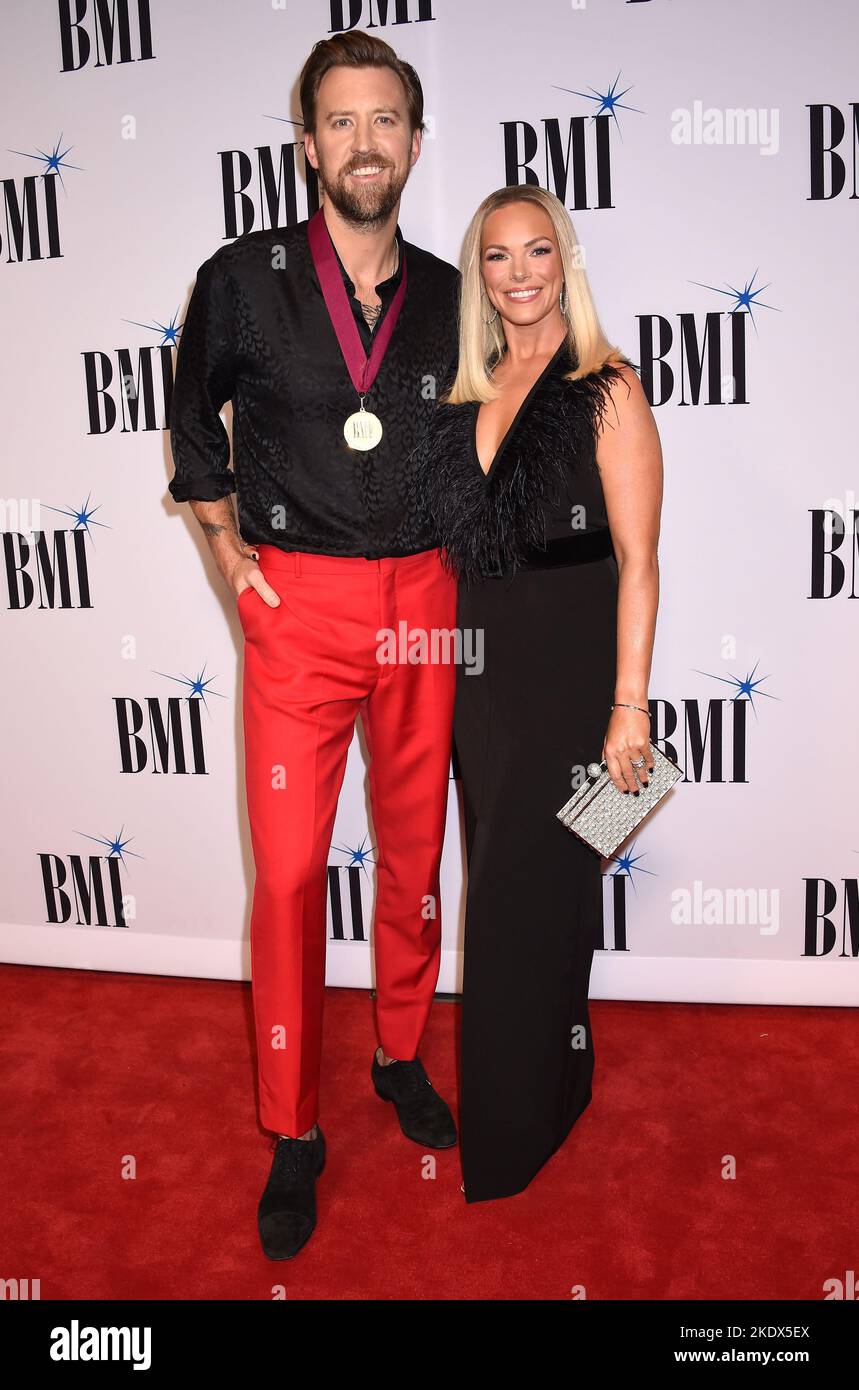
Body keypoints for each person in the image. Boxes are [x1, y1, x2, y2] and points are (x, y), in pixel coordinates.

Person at [167, 32, 461, 1259]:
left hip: (427, 604)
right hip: (298, 611)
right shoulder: (240, 277)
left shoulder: (453, 292)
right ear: (304, 144)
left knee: (411, 854)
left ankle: (398, 1052)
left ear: (413, 139)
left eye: (385, 120)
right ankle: (293, 1126)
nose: (364, 144)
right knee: (288, 878)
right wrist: (230, 562)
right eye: (339, 122)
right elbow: (193, 430)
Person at [409, 185, 663, 1202]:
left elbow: (639, 563)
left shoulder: (608, 386)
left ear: (567, 261)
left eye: (537, 252)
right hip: (484, 674)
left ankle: (513, 1131)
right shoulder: (467, 390)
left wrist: (628, 706)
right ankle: (562, 1078)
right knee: (529, 892)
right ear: (480, 272)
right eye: (499, 256)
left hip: (570, 678)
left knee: (525, 897)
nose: (519, 273)